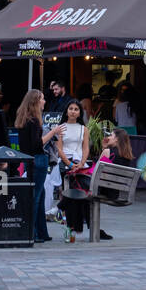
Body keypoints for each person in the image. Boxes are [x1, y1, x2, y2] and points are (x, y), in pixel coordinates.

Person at [14, 89, 53, 243]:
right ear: (36, 102)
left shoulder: (24, 119)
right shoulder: (35, 121)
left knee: (40, 195)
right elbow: (37, 144)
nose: (44, 102)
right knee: (36, 197)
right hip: (38, 159)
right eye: (42, 99)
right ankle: (33, 232)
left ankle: (42, 232)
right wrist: (53, 132)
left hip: (29, 160)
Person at [53, 100, 92, 241]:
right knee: (69, 195)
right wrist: (69, 164)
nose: (73, 111)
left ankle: (69, 223)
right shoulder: (61, 128)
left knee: (76, 197)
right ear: (66, 110)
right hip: (66, 163)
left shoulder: (84, 129)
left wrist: (81, 163)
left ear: (80, 112)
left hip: (80, 164)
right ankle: (69, 230)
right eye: (70, 108)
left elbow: (86, 148)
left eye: (76, 109)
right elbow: (59, 149)